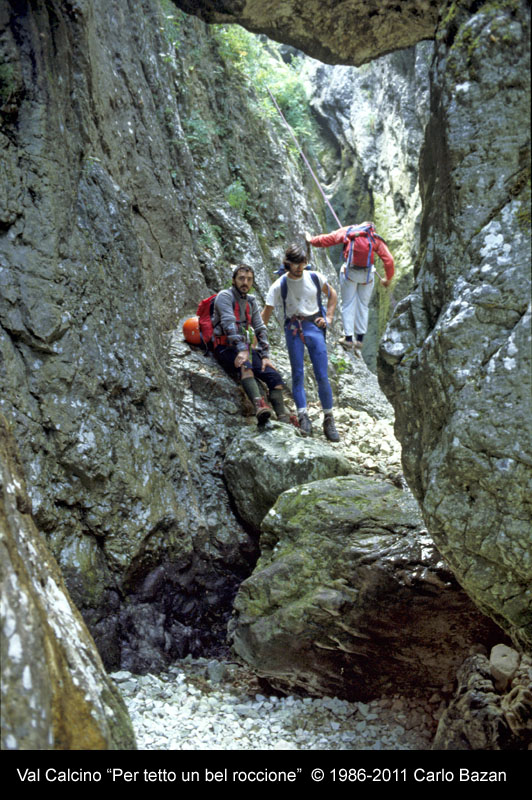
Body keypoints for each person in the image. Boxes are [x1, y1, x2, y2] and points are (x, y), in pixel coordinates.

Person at [262, 244, 340, 442]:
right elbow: (265, 314)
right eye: (295, 264)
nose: (299, 267)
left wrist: (328, 318)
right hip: (293, 329)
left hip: (314, 325)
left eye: (302, 263)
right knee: (298, 374)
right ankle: (303, 415)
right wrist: (254, 338)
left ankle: (329, 419)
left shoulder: (314, 277)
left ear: (306, 262)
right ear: (287, 264)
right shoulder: (280, 285)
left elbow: (332, 295)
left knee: (322, 374)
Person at [212, 265, 290, 426]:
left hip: (243, 348)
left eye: (249, 279)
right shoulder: (224, 296)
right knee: (245, 365)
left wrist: (266, 356)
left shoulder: (251, 301)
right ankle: (259, 406)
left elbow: (260, 328)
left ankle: (284, 418)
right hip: (225, 347)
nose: (245, 282)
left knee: (273, 375)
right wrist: (242, 351)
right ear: (233, 280)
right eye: (241, 278)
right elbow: (229, 324)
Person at [305, 222, 394, 355]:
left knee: (348, 303)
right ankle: (359, 341)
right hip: (367, 277)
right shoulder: (373, 238)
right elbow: (389, 260)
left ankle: (348, 339)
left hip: (349, 274)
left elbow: (327, 240)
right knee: (363, 305)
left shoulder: (348, 232)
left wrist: (311, 240)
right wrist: (388, 279)